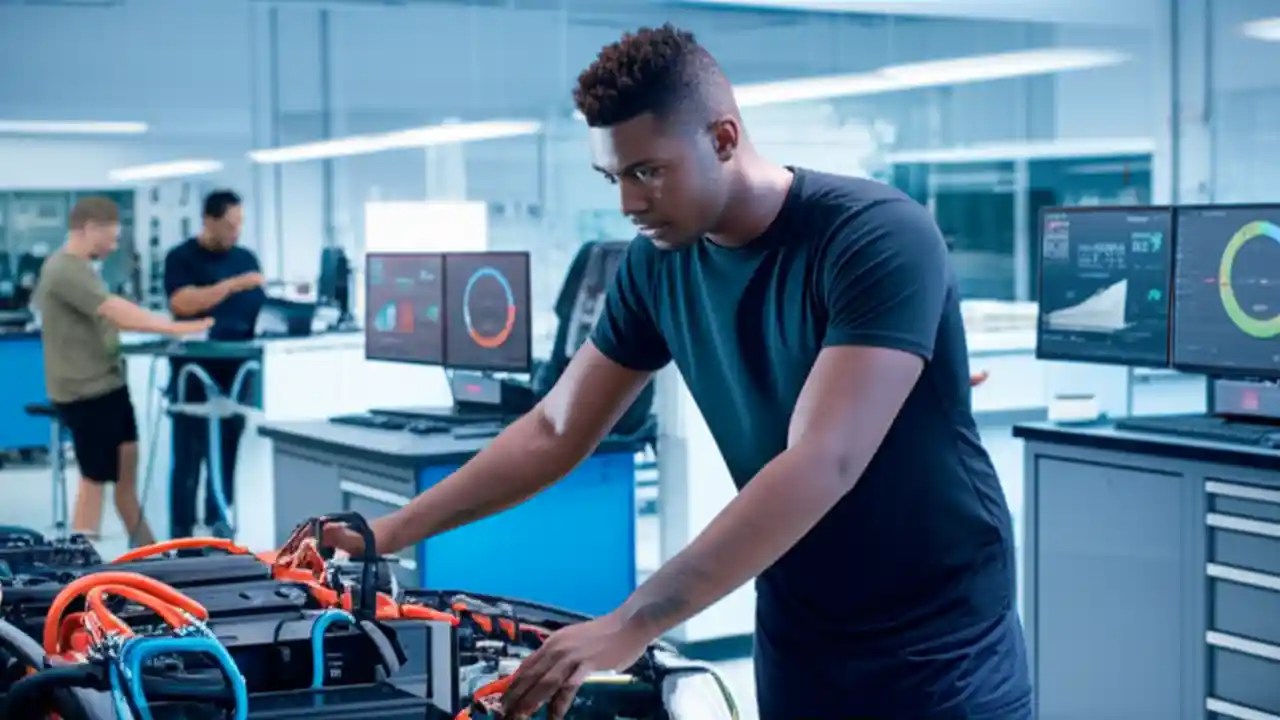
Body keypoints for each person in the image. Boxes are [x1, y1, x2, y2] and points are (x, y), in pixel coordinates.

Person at [329, 24, 1031, 719]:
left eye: (647, 172)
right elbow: (555, 426)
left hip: (937, 632)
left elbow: (825, 460)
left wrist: (634, 620)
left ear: (723, 139)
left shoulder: (876, 234)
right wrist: (389, 532)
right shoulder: (655, 264)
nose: (629, 204)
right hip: (800, 609)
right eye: (614, 177)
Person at [33, 197, 211, 546]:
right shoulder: (63, 268)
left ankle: (152, 562)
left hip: (110, 387)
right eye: (110, 238)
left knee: (125, 485)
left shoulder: (82, 268)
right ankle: (79, 568)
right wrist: (174, 328)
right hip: (85, 393)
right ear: (89, 229)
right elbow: (114, 309)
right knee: (94, 481)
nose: (114, 246)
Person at [163, 190, 266, 539]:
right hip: (193, 375)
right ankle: (182, 538)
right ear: (208, 220)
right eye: (229, 224)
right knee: (189, 461)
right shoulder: (182, 258)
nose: (236, 232)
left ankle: (219, 532)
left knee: (226, 458)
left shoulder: (247, 258)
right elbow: (183, 303)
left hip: (236, 374)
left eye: (240, 224)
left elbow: (259, 310)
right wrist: (234, 284)